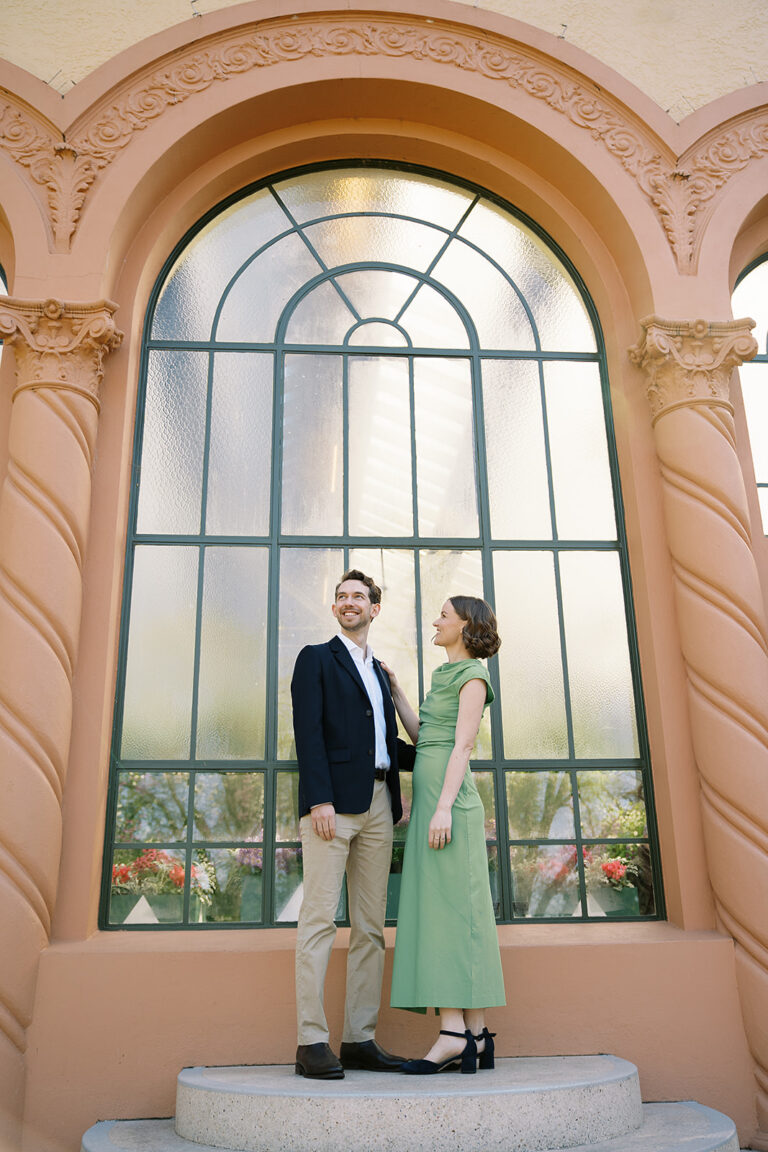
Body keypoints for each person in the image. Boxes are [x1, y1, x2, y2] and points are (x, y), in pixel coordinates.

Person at [291, 569, 406, 1079]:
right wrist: (318, 800)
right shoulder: (316, 658)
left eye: (358, 596)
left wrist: (437, 754)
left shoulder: (381, 673)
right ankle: (311, 1042)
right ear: (335, 608)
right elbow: (308, 732)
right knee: (318, 922)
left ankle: (360, 1038)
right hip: (332, 808)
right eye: (341, 597)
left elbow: (382, 743)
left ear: (375, 608)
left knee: (369, 928)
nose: (348, 602)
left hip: (380, 802)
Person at [385, 595, 506, 1074]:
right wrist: (395, 693)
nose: (435, 621)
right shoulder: (440, 677)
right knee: (450, 913)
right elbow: (425, 738)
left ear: (464, 625)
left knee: (454, 916)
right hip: (437, 804)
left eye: (443, 615)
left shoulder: (473, 676)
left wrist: (440, 809)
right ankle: (475, 1035)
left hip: (451, 807)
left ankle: (455, 1034)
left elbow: (463, 746)